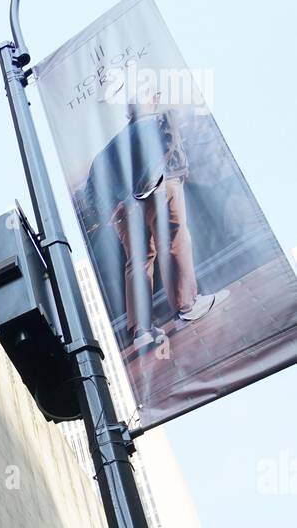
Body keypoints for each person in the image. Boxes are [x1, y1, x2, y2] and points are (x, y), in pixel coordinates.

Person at [85, 97, 229, 350]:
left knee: (138, 262)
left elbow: (93, 184)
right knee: (174, 242)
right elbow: (171, 150)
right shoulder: (161, 120)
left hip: (123, 209)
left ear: (128, 113)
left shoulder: (109, 148)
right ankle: (186, 306)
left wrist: (111, 207)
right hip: (160, 188)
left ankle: (141, 330)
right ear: (152, 102)